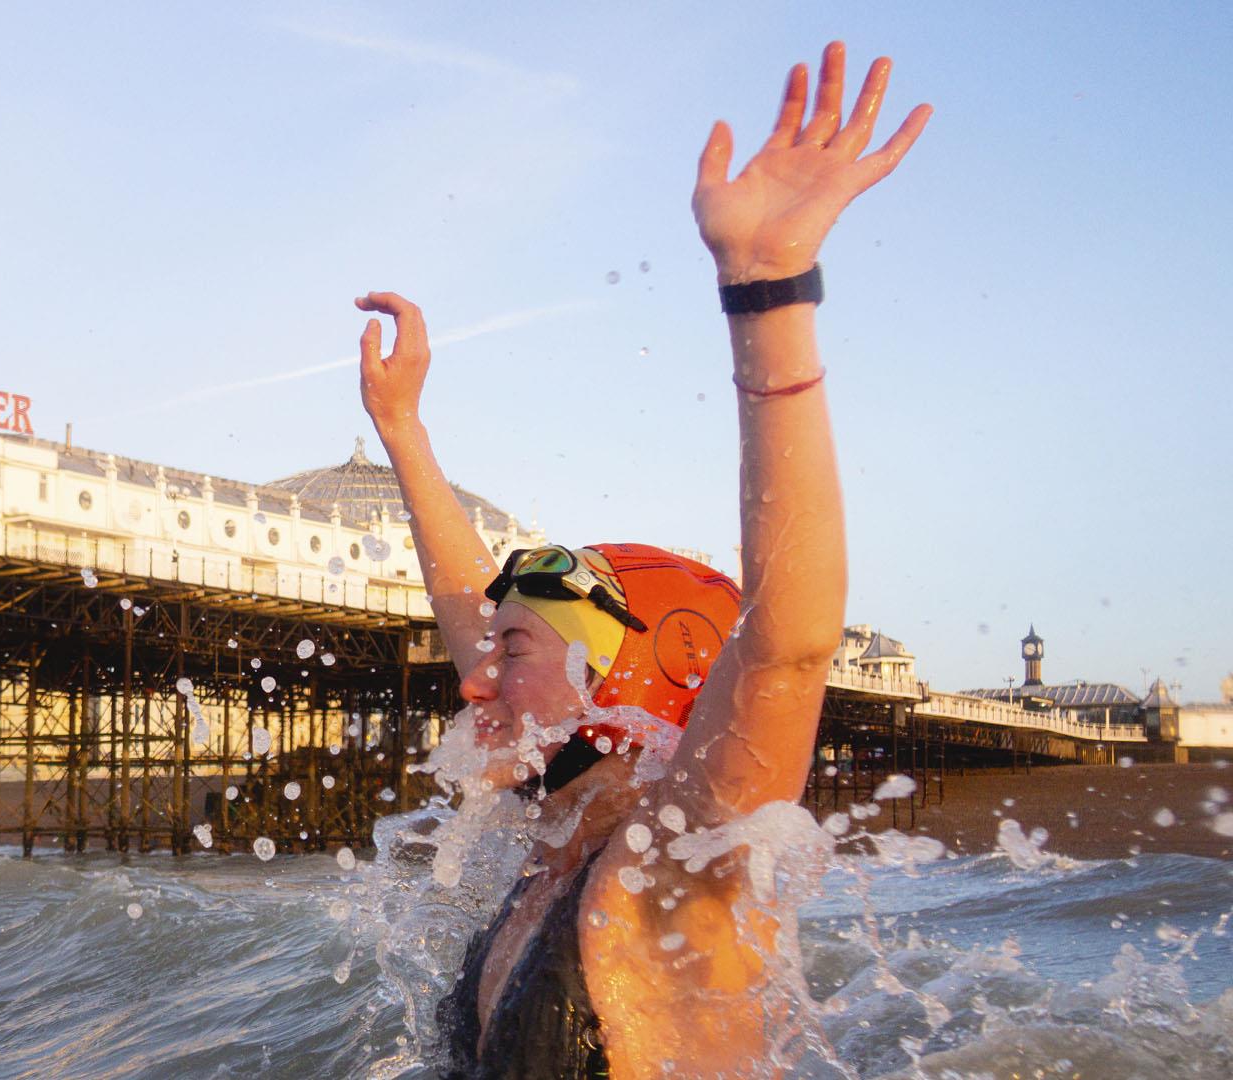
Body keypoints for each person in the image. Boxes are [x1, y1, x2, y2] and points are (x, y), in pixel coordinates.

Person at [353, 42, 931, 1079]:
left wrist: (768, 293)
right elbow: (467, 607)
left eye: (514, 648)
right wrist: (403, 432)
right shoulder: (550, 844)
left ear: (617, 682)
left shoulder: (673, 863)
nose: (475, 675)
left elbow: (789, 645)